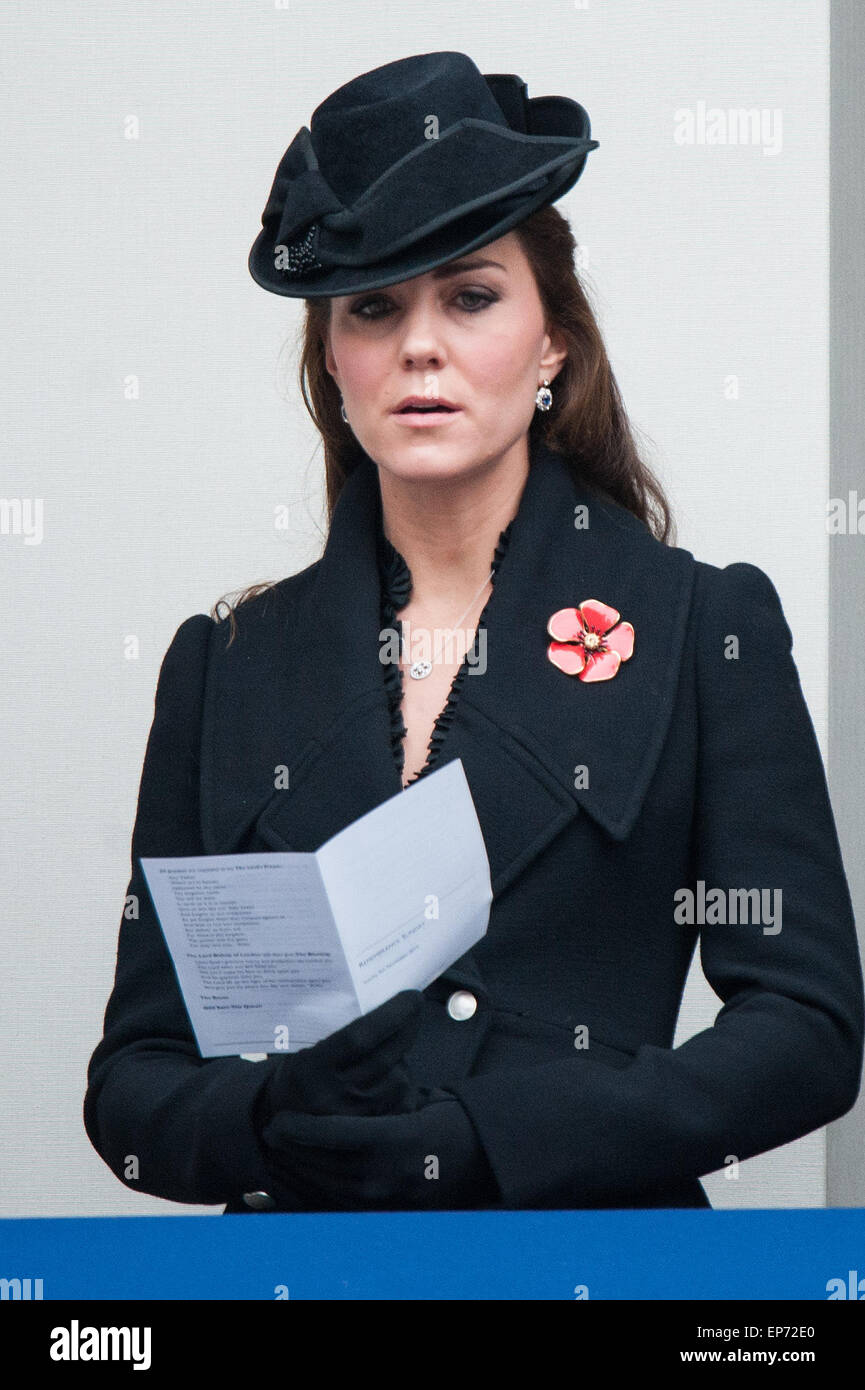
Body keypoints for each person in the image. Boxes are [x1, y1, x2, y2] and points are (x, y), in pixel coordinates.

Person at [83, 51, 864, 1214]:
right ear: (332, 361)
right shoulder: (227, 664)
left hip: (593, 1266)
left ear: (551, 343)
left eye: (471, 294)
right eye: (373, 308)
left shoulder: (703, 625)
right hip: (311, 1278)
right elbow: (133, 1084)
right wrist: (267, 1119)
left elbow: (806, 1029)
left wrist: (499, 1135)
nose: (419, 347)